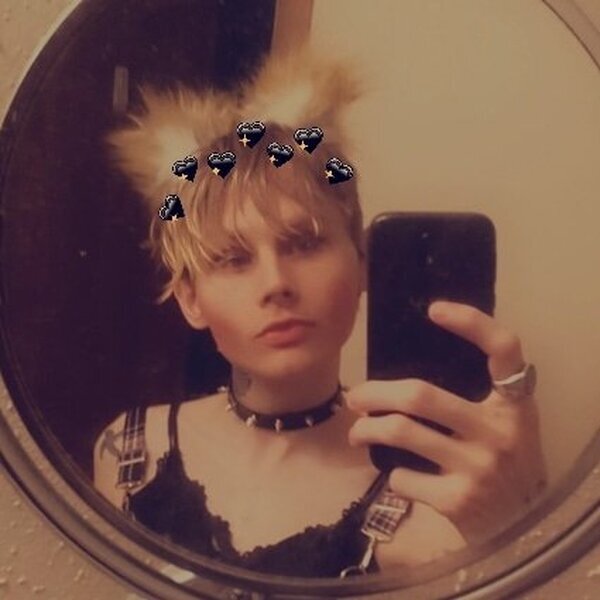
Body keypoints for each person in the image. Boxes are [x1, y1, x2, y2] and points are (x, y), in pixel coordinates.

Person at [94, 47, 547, 578]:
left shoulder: (438, 491)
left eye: (305, 243)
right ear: (191, 300)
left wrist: (517, 528)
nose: (276, 284)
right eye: (233, 259)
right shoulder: (127, 455)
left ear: (362, 264)